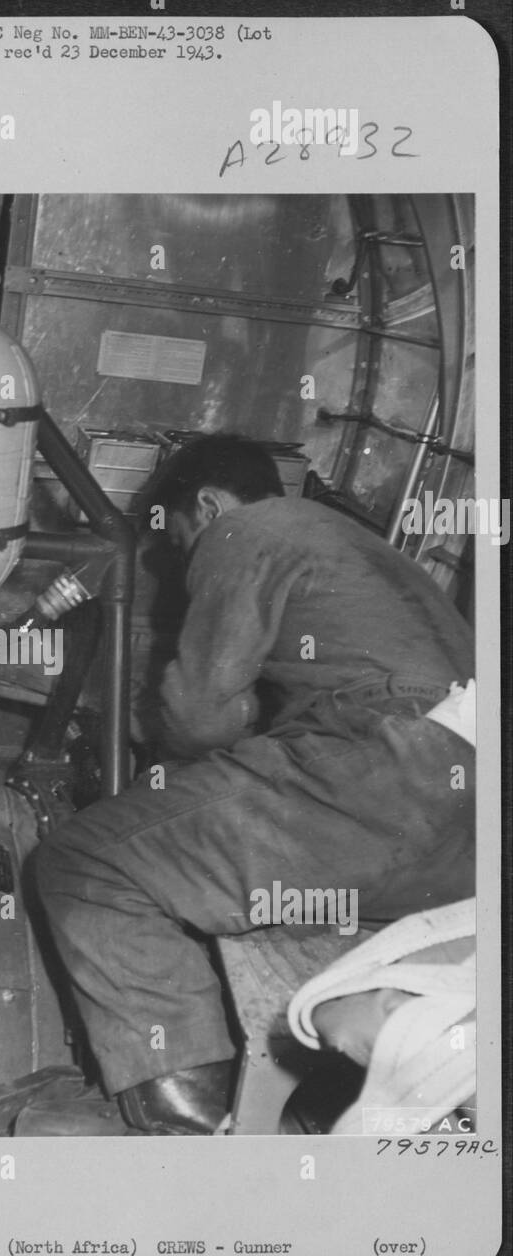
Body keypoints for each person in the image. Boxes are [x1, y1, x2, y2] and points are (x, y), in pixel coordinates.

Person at [34, 435, 475, 1135]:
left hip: (388, 774)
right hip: (469, 839)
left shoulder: (245, 529)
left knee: (87, 862)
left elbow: (200, 715)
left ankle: (191, 1126)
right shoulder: (371, 550)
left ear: (208, 505)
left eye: (181, 542)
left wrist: (166, 736)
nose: (187, 558)